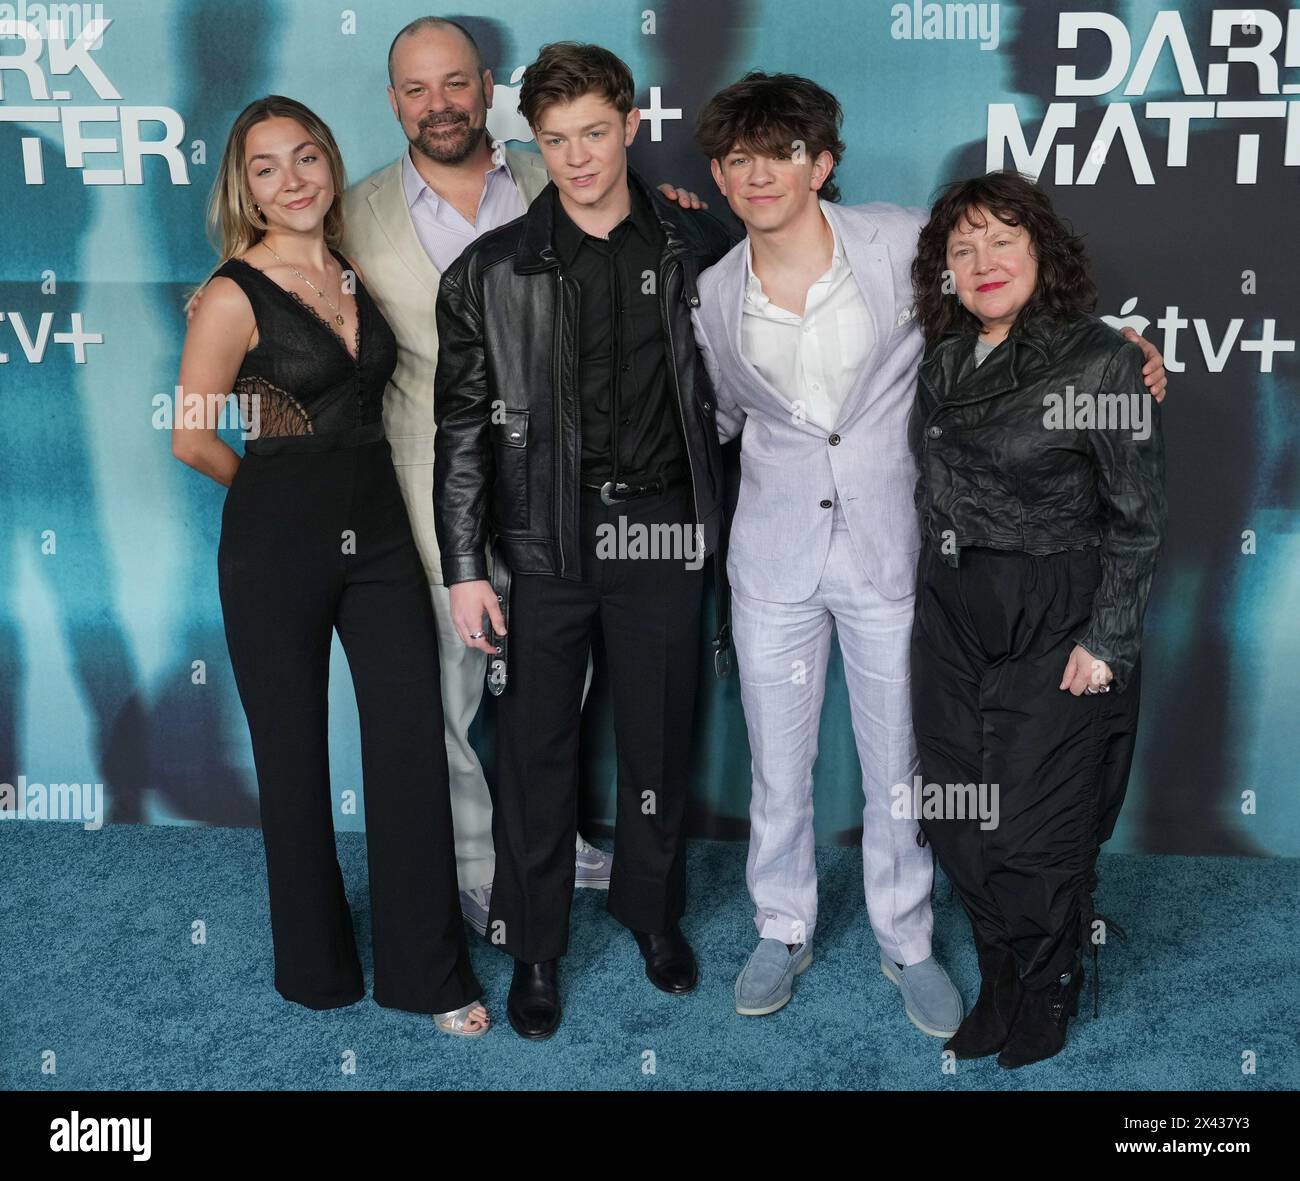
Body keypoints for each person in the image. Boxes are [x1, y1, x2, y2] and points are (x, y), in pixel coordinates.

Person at [689, 73, 1167, 1037]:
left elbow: (1012, 290)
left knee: (902, 763)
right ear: (720, 175)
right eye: (737, 159)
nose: (759, 174)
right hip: (774, 555)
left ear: (820, 163)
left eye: (781, 152)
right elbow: (732, 420)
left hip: (897, 552)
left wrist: (1124, 343)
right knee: (778, 765)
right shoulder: (709, 293)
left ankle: (904, 937)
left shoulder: (905, 241)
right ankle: (781, 923)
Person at [340, 17, 707, 933]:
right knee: (498, 719)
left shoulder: (635, 214)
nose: (576, 156)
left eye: (455, 83)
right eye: (416, 89)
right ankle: (507, 904)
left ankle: (616, 890)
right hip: (496, 500)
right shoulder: (419, 239)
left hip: (624, 511)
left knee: (613, 721)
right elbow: (456, 415)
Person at [434, 42, 734, 1040]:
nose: (576, 157)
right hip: (546, 540)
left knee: (655, 735)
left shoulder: (697, 245)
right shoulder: (488, 269)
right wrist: (466, 568)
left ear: (630, 127)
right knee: (535, 751)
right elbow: (462, 427)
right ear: (535, 142)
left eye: (594, 133)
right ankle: (533, 945)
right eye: (554, 140)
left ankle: (651, 916)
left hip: (660, 530)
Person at [173, 95, 489, 1037]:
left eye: (306, 157)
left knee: (408, 745)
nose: (292, 179)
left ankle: (427, 972)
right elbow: (193, 441)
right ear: (246, 187)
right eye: (266, 167)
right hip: (276, 550)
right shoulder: (231, 292)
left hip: (383, 538)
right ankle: (316, 970)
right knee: (294, 758)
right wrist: (272, 493)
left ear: (330, 163)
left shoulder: (354, 270)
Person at [908, 169, 1167, 1068]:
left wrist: (1110, 637)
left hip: (1056, 609)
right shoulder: (941, 356)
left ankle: (1053, 977)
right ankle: (1002, 973)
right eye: (963, 246)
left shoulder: (1099, 359)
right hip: (948, 608)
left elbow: (1137, 518)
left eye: (1002, 240)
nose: (983, 262)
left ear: (1040, 251)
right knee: (955, 810)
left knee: (1032, 826)